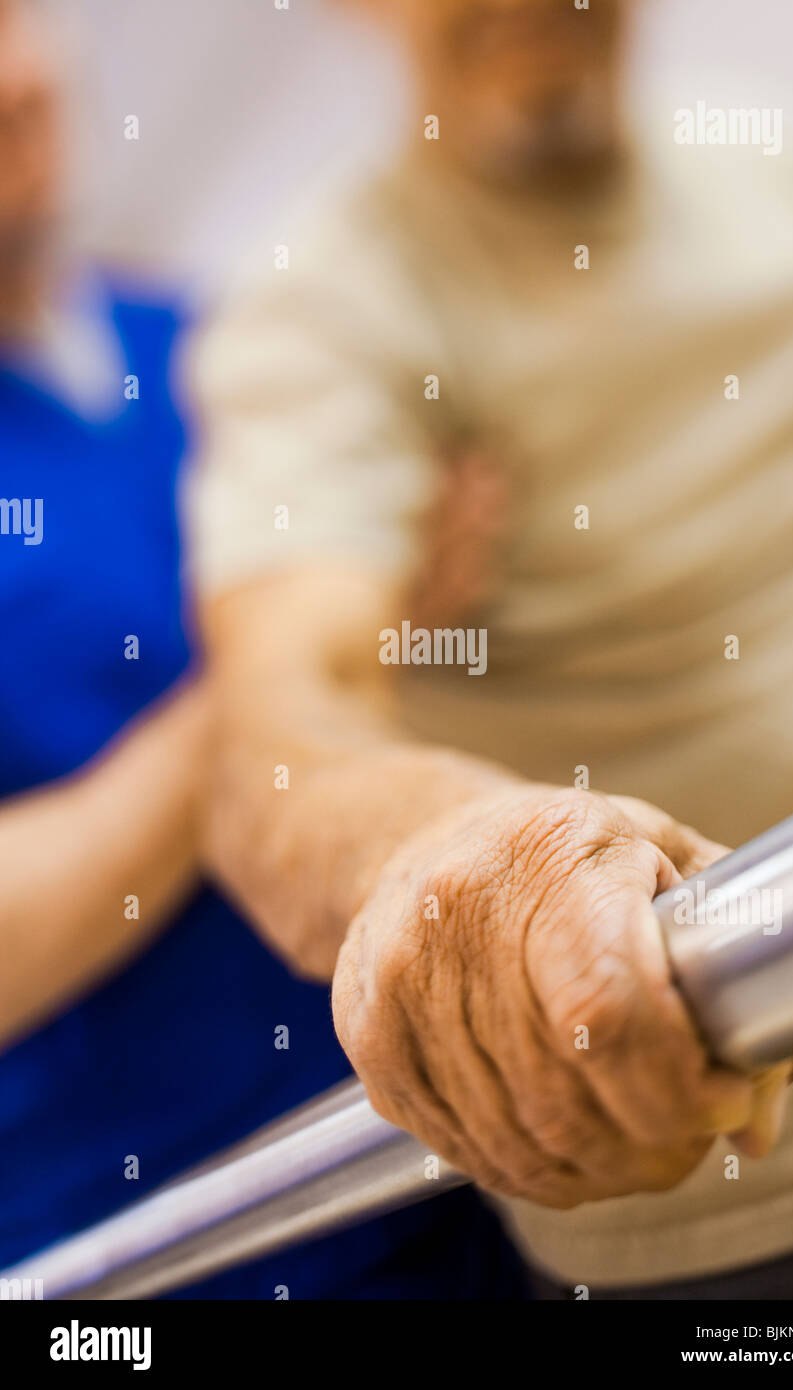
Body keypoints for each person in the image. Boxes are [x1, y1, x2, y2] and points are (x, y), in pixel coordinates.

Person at [190, 0, 793, 1296]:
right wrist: (450, 854)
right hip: (733, 1208)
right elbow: (282, 719)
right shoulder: (325, 310)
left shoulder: (769, 165)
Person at [0, 0, 532, 1299]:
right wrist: (278, 675)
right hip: (160, 1248)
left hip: (441, 1155)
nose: (12, 81)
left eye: (14, 22)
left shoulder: (210, 346)